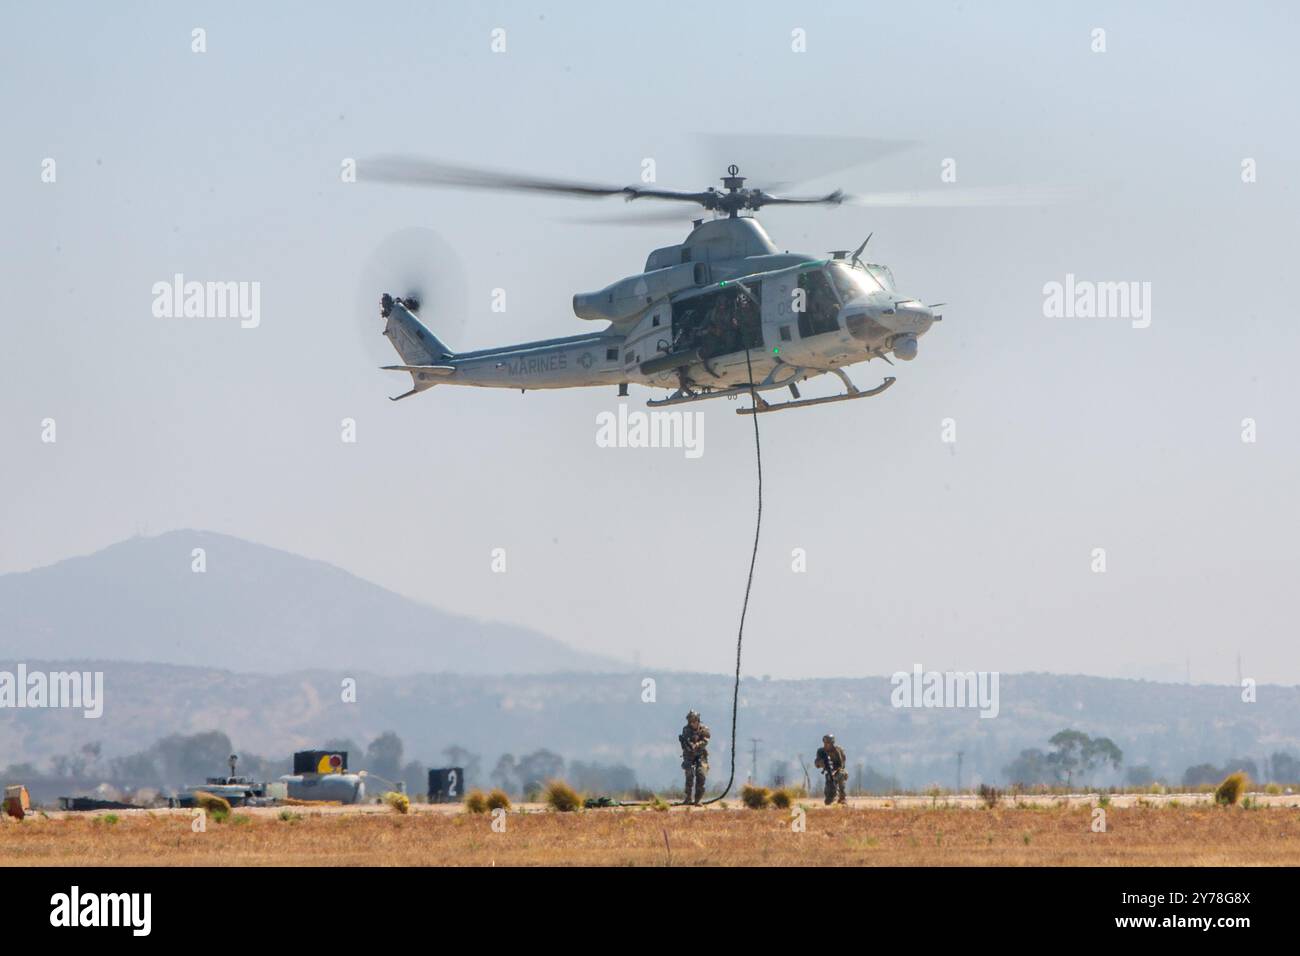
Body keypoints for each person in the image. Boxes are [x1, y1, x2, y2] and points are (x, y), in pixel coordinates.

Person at [679, 710, 711, 805]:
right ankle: (688, 797)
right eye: (690, 721)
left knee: (701, 775)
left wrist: (696, 745)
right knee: (689, 775)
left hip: (701, 755)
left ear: (697, 720)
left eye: (693, 720)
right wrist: (687, 746)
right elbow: (685, 742)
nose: (691, 723)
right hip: (689, 755)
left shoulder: (704, 729)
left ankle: (698, 799)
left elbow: (705, 741)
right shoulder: (686, 729)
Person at [814, 733, 848, 805]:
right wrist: (820, 763)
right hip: (828, 773)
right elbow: (816, 763)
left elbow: (842, 764)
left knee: (841, 775)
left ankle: (842, 797)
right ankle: (831, 797)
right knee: (828, 799)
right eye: (825, 742)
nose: (826, 744)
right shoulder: (821, 751)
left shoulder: (838, 750)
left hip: (838, 771)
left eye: (828, 742)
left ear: (832, 743)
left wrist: (835, 771)